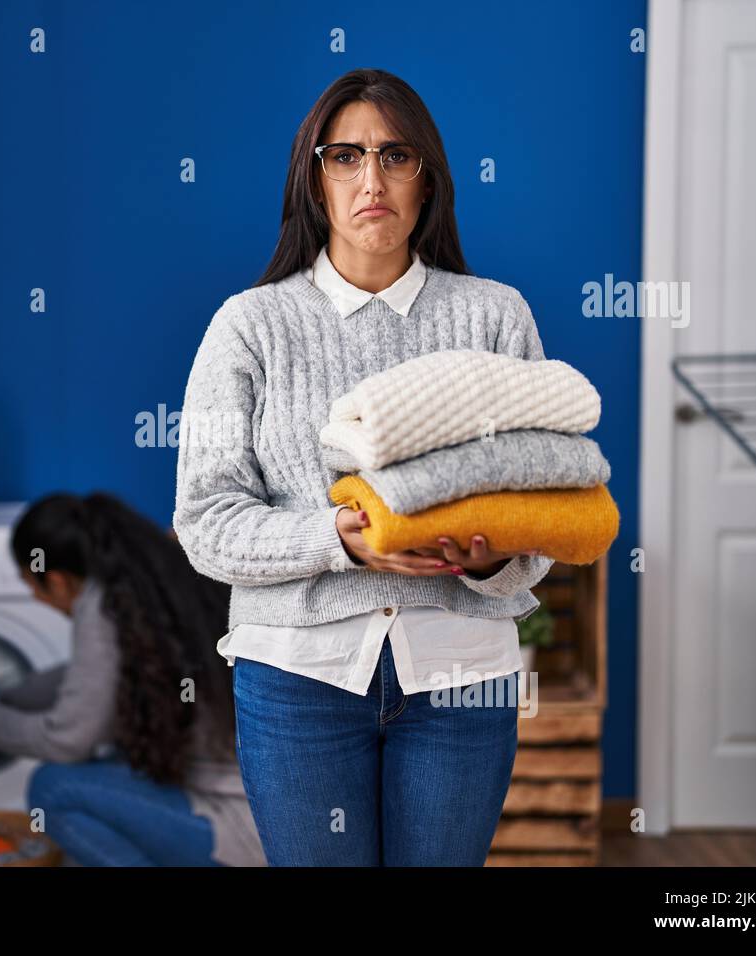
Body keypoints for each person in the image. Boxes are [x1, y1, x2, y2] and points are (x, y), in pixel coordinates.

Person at [172, 68, 557, 866]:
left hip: (463, 677)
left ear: (429, 180)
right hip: (296, 678)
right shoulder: (249, 326)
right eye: (344, 157)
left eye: (396, 156)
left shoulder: (496, 315)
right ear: (314, 181)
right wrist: (342, 541)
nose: (370, 179)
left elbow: (545, 514)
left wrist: (495, 557)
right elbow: (206, 523)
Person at [0, 492, 266, 867]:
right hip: (260, 813)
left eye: (32, 586)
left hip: (238, 828)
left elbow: (67, 740)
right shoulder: (149, 584)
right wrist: (6, 695)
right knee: (108, 767)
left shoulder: (100, 609)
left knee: (53, 788)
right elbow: (85, 679)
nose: (35, 599)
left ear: (58, 580)